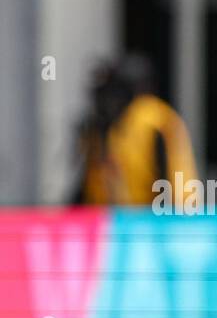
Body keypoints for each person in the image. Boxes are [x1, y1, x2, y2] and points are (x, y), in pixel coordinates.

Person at [76, 55, 197, 206]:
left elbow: (170, 183)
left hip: (152, 218)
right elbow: (89, 184)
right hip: (117, 219)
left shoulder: (152, 119)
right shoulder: (104, 124)